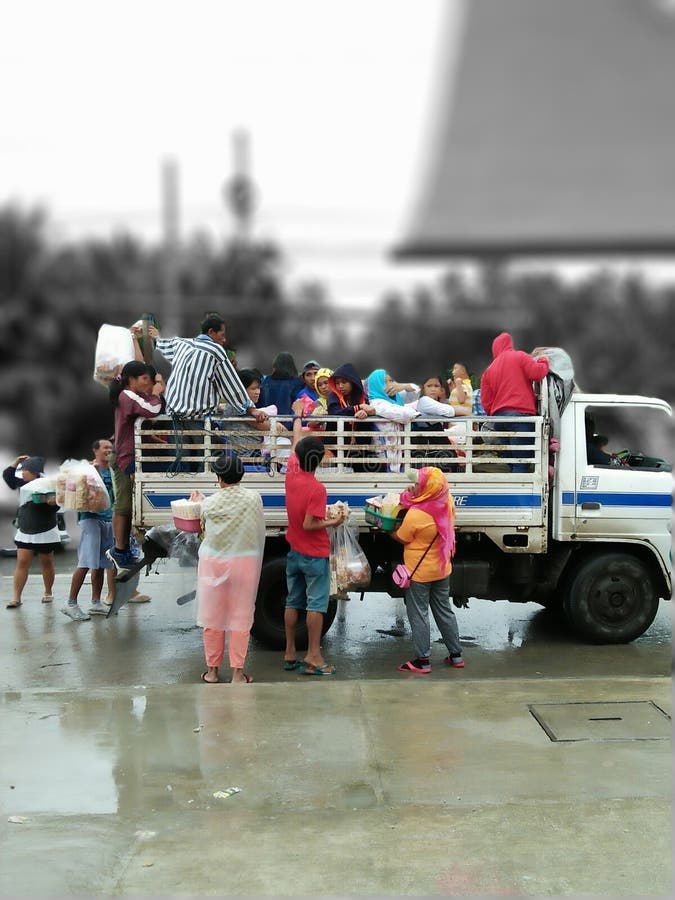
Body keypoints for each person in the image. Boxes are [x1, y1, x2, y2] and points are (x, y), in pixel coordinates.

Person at [283, 399, 347, 675]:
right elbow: (311, 524)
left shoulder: (291, 472)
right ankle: (313, 656)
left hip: (294, 550)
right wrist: (335, 520)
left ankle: (290, 652)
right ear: (319, 461)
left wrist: (297, 416)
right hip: (314, 553)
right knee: (316, 605)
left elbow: (297, 441)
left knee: (292, 601)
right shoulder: (317, 489)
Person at [192, 454, 265, 684]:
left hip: (213, 563)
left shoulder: (209, 504)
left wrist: (200, 501)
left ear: (219, 477)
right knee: (241, 616)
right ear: (241, 474)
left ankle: (212, 672)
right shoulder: (254, 498)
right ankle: (237, 674)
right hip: (245, 563)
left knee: (212, 617)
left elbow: (202, 527)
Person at [390, 466, 464, 674]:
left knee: (419, 614)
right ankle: (456, 655)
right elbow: (421, 500)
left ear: (427, 489)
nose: (414, 486)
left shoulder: (416, 515)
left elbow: (401, 537)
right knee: (444, 611)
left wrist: (387, 529)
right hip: (441, 569)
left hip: (419, 573)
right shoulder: (447, 503)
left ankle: (422, 661)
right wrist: (412, 495)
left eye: (418, 484)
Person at [144, 315, 268, 423]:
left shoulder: (181, 344)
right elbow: (230, 384)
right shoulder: (215, 350)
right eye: (222, 335)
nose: (224, 340)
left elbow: (164, 344)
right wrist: (250, 408)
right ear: (211, 332)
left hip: (175, 418)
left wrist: (157, 337)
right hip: (199, 420)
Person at [107, 361, 165, 575]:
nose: (149, 383)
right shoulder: (128, 395)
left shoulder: (131, 395)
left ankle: (124, 548)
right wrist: (157, 393)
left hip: (128, 455)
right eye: (145, 379)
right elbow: (152, 409)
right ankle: (119, 549)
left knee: (129, 504)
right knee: (123, 505)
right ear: (131, 379)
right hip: (125, 457)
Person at [480, 333, 549, 473]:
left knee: (511, 463)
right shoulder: (520, 357)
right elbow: (537, 373)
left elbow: (486, 402)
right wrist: (543, 360)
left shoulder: (489, 370)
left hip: (500, 420)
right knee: (521, 463)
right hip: (520, 418)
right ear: (509, 344)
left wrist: (497, 413)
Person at [62, 439, 115, 621]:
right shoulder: (88, 471)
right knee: (85, 562)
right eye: (105, 447)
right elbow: (83, 494)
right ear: (95, 450)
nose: (109, 450)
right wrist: (93, 474)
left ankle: (96, 602)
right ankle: (71, 604)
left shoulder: (112, 470)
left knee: (100, 564)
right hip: (90, 520)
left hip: (108, 519)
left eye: (110, 447)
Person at [3, 455, 59, 609]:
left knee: (46, 562)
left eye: (25, 470)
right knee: (22, 562)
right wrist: (16, 462)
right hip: (26, 528)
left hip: (45, 528)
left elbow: (57, 504)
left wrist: (52, 503)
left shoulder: (48, 484)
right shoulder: (22, 484)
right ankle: (16, 597)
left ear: (34, 472)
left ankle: (48, 592)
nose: (22, 473)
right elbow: (7, 476)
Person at [326, 363, 378, 468]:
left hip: (359, 449)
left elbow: (369, 411)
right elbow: (334, 412)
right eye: (337, 383)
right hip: (336, 447)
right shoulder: (333, 396)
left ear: (353, 381)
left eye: (344, 382)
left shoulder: (364, 398)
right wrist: (358, 408)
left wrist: (365, 413)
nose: (340, 386)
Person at [258, 352, 304, 418]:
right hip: (289, 420)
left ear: (275, 366)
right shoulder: (297, 382)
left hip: (267, 419)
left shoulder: (267, 381)